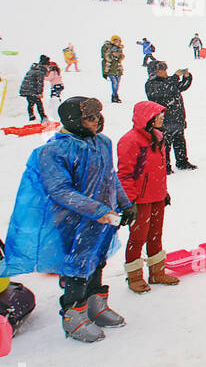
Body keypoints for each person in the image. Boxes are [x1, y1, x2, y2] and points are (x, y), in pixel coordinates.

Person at [1, 97, 135, 343]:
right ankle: (74, 315)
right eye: (91, 117)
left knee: (98, 261)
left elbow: (110, 177)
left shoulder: (102, 142)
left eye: (98, 115)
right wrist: (97, 210)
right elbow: (60, 190)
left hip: (104, 219)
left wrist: (125, 203)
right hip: (73, 222)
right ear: (74, 121)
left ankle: (96, 305)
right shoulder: (55, 151)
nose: (98, 121)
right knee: (77, 267)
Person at [117, 100, 179, 292]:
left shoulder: (158, 137)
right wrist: (129, 201)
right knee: (138, 237)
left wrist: (163, 192)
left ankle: (157, 271)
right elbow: (125, 173)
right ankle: (134, 276)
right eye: (158, 116)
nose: (162, 119)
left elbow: (157, 170)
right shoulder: (130, 140)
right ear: (148, 118)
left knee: (155, 235)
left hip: (157, 196)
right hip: (140, 199)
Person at [144, 61, 196, 171]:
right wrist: (175, 77)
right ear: (156, 72)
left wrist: (187, 77)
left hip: (177, 118)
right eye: (162, 70)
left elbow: (182, 87)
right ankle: (165, 165)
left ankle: (182, 162)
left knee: (180, 141)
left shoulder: (169, 82)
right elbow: (165, 90)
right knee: (164, 144)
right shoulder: (151, 84)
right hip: (163, 120)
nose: (165, 72)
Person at [19, 56, 51, 121]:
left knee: (31, 103)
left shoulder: (33, 69)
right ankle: (43, 117)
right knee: (39, 103)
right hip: (31, 90)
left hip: (26, 89)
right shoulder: (40, 72)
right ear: (45, 65)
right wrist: (39, 93)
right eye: (48, 66)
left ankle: (31, 116)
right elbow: (40, 83)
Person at [101, 35, 125, 103]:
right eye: (115, 40)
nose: (117, 42)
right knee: (114, 83)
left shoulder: (119, 48)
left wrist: (119, 56)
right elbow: (105, 58)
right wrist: (112, 55)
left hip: (118, 68)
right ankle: (115, 96)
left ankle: (115, 95)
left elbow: (121, 57)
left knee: (117, 83)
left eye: (118, 41)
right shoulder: (108, 48)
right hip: (110, 68)